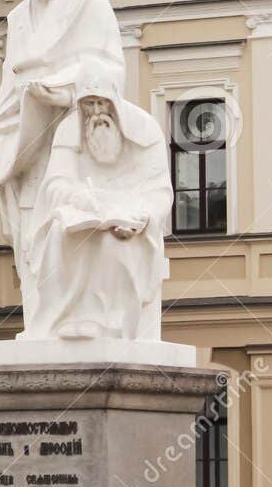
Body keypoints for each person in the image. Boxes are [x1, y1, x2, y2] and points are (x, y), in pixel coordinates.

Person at [0, 0, 124, 316]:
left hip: (75, 135)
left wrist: (65, 89)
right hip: (30, 142)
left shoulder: (88, 2)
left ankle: (82, 318)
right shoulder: (18, 20)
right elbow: (9, 84)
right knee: (32, 236)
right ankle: (41, 320)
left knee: (72, 227)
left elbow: (111, 69)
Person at [28, 82, 173, 343]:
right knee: (60, 233)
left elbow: (158, 190)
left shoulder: (146, 129)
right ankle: (66, 318)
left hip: (132, 219)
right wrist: (77, 197)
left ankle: (110, 325)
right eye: (89, 103)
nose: (96, 112)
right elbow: (55, 183)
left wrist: (142, 218)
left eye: (102, 102)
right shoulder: (68, 130)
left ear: (115, 101)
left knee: (112, 243)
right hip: (83, 213)